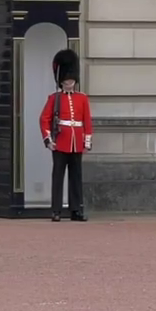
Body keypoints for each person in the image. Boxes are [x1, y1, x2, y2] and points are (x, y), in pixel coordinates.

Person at [38, 48, 92, 223]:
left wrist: (87, 141)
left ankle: (76, 209)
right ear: (61, 81)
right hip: (60, 142)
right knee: (58, 177)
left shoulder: (82, 98)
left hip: (76, 142)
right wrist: (48, 140)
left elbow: (87, 121)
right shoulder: (54, 98)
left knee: (76, 177)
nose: (70, 82)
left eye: (71, 79)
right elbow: (44, 119)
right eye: (67, 80)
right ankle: (56, 210)